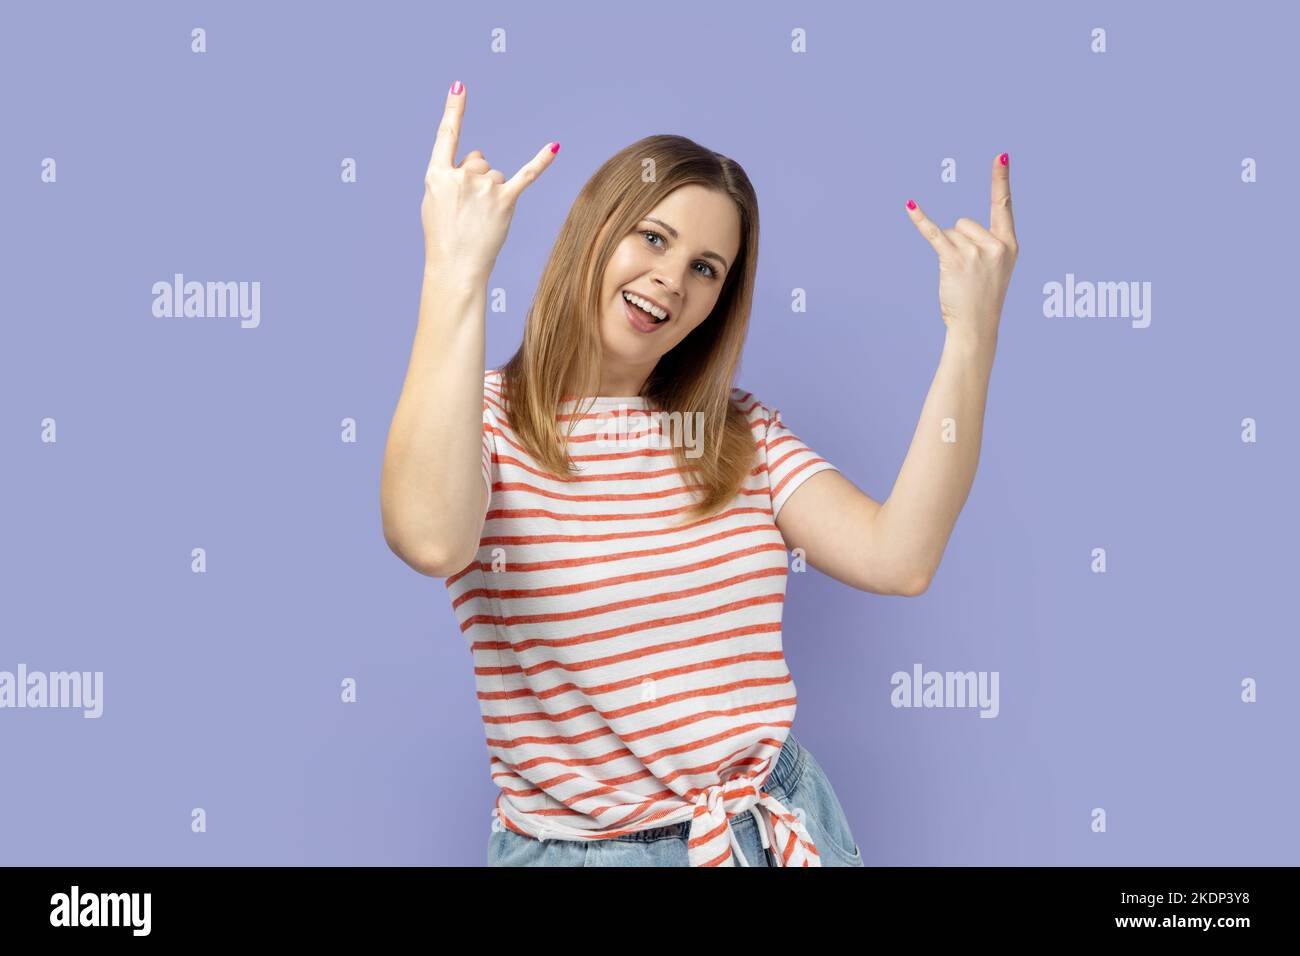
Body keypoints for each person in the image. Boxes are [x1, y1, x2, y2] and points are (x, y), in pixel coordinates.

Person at [380, 80, 1019, 867]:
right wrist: (455, 269)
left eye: (707, 268)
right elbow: (429, 538)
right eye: (652, 238)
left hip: (778, 828)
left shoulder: (735, 434)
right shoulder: (482, 424)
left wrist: (971, 335)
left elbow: (902, 556)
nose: (672, 281)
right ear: (593, 231)